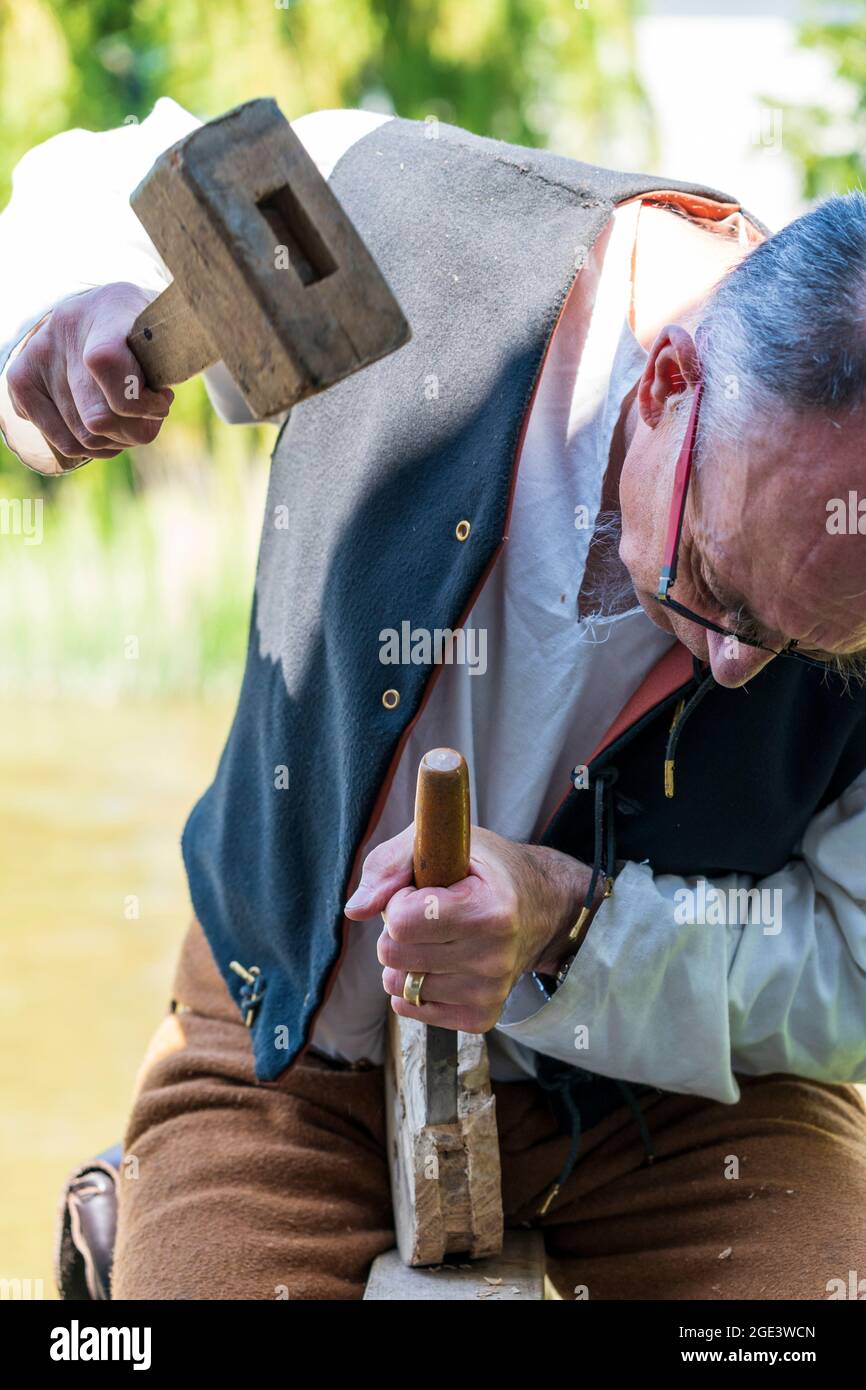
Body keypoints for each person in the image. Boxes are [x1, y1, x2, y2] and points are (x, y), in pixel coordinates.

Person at [2, 99, 865, 1301]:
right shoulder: (405, 222)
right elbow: (93, 182)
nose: (737, 671)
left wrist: (571, 925)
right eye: (717, 586)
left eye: (811, 644)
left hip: (680, 1109)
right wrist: (73, 308)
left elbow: (850, 965)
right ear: (669, 382)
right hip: (295, 1052)